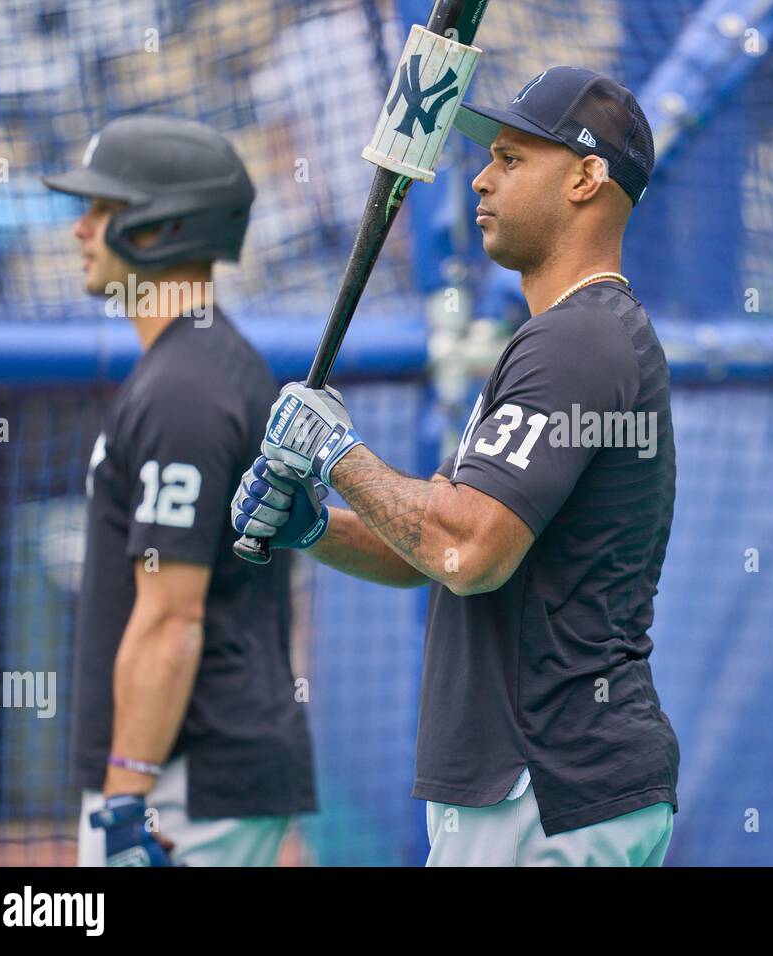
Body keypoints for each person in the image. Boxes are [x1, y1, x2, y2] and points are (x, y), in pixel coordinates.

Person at [232, 67, 679, 866]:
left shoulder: (577, 340)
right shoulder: (567, 338)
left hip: (543, 786)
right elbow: (430, 552)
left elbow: (467, 552)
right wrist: (312, 527)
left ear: (585, 177)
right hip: (545, 787)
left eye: (511, 158)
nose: (480, 176)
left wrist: (337, 454)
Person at [43, 114, 316, 866]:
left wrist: (128, 801)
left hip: (181, 786)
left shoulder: (184, 387)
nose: (80, 229)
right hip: (196, 776)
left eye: (103, 209)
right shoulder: (198, 366)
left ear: (161, 227)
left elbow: (171, 617)